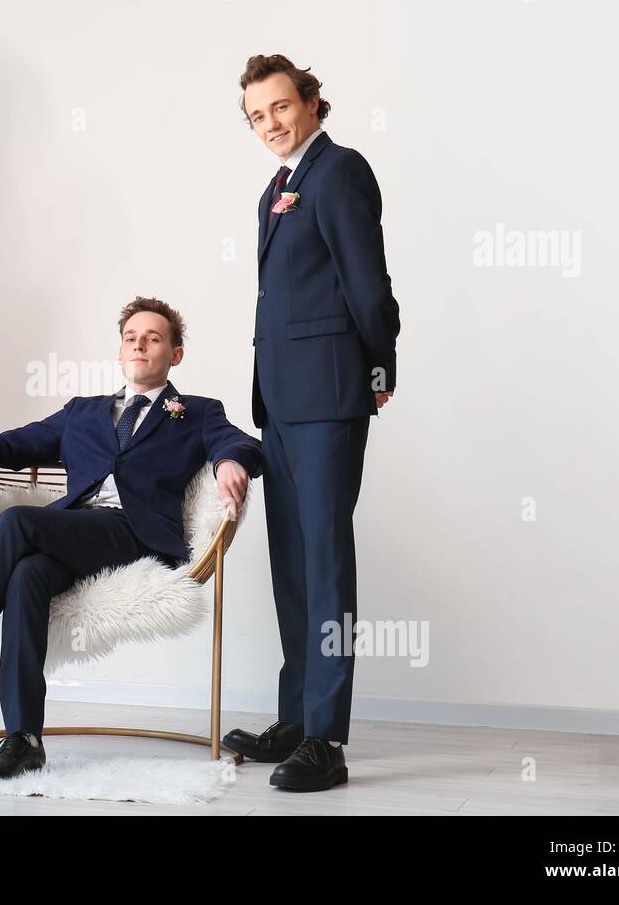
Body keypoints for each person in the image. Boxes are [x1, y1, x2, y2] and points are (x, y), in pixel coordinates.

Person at [0, 296, 262, 782]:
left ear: (175, 354)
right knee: (27, 575)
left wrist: (231, 461)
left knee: (18, 523)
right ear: (120, 351)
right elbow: (14, 442)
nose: (140, 345)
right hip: (72, 534)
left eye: (153, 338)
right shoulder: (83, 412)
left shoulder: (195, 412)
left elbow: (238, 442)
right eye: (131, 338)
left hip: (135, 536)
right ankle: (23, 739)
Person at [225, 55, 401, 792]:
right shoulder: (277, 186)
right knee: (292, 567)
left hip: (330, 398)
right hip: (284, 405)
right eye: (257, 115)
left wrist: (380, 366)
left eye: (280, 107)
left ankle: (325, 739)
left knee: (326, 565)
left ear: (312, 102)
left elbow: (368, 281)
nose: (271, 123)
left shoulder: (339, 171)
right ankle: (295, 718)